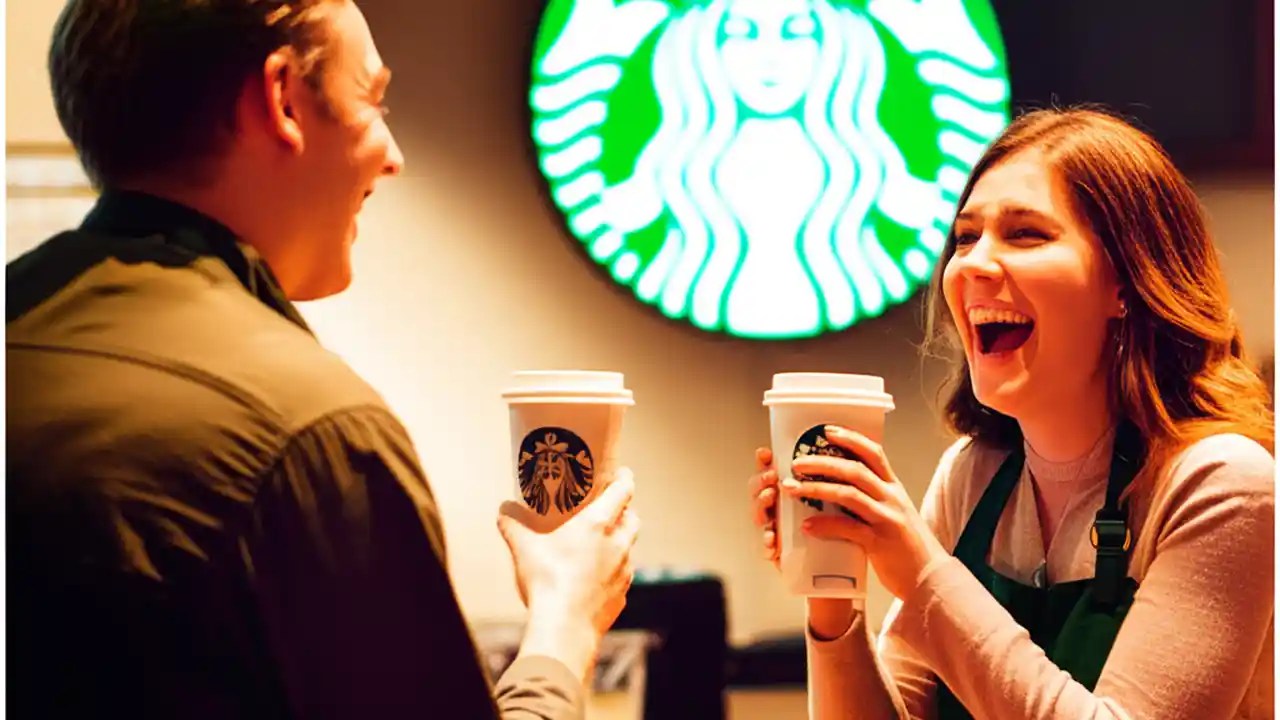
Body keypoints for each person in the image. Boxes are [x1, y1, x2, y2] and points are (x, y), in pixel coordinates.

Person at [7, 1, 638, 718]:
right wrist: (564, 623)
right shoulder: (309, 432)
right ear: (282, 99)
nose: (393, 155)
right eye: (374, 99)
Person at [748, 108, 1274, 718]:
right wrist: (832, 593)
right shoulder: (972, 477)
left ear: (1126, 284)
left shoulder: (1223, 485)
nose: (971, 263)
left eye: (1026, 234)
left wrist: (921, 573)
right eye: (966, 238)